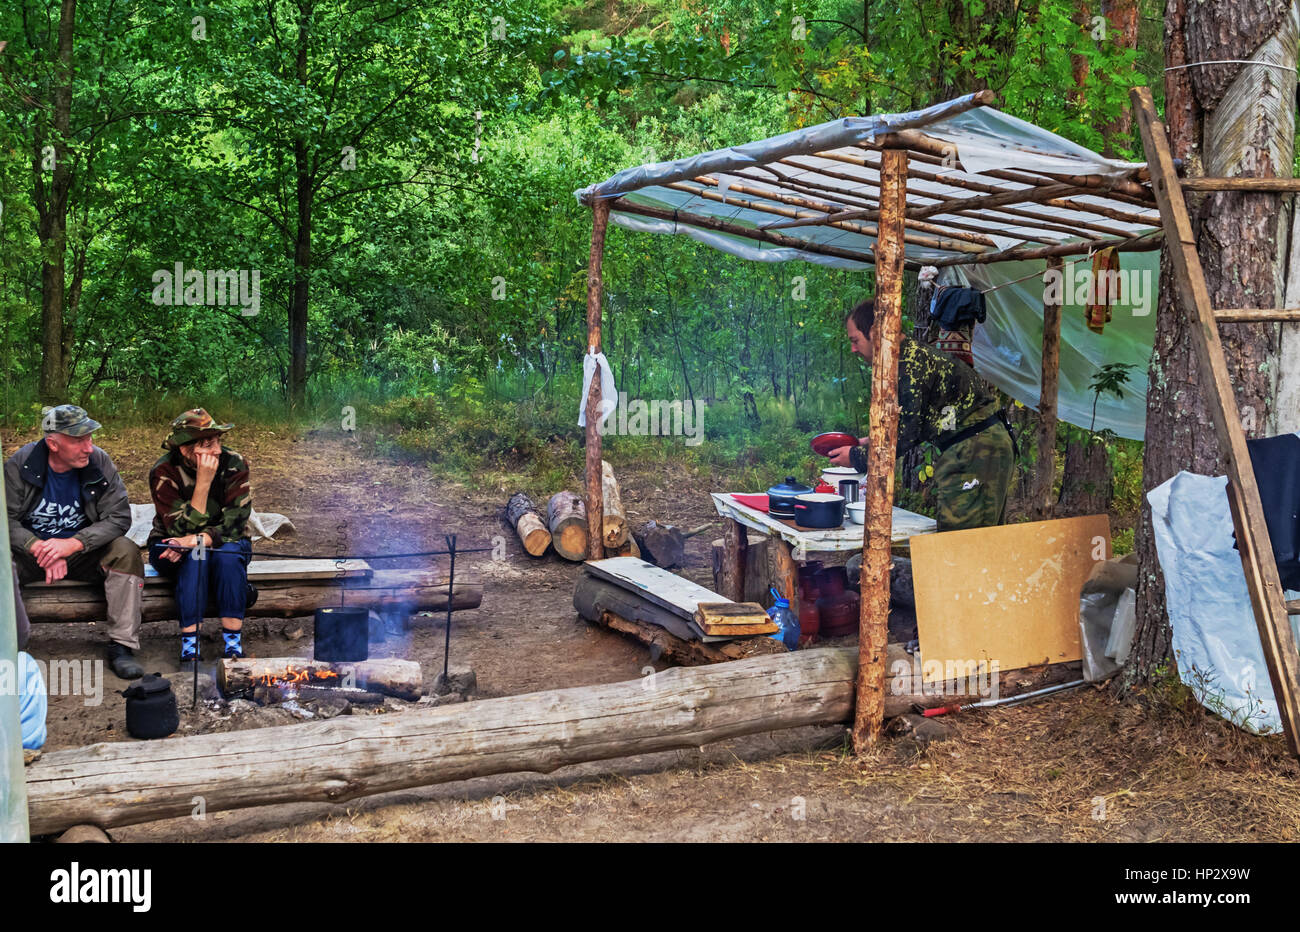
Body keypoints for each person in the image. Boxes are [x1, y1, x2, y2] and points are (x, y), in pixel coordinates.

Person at [829, 298, 1015, 532]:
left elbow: (905, 434)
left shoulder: (910, 363)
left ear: (877, 331)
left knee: (962, 543)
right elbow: (912, 424)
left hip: (975, 451)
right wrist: (872, 442)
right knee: (977, 541)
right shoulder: (908, 357)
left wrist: (857, 456)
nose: (853, 349)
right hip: (978, 447)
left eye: (855, 340)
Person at [5, 404, 145, 679]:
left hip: (84, 552)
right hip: (32, 553)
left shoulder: (99, 462)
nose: (88, 447)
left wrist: (73, 543)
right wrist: (35, 545)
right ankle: (10, 649)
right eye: (79, 440)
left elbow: (119, 518)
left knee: (125, 551)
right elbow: (3, 521)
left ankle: (122, 646)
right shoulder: (20, 465)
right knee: (0, 564)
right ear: (53, 443)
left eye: (90, 438)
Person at [147, 409, 253, 664]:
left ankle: (233, 646)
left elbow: (235, 523)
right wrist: (204, 482)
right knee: (194, 558)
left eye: (218, 441)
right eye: (208, 444)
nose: (217, 450)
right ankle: (190, 648)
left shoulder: (233, 463)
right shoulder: (164, 471)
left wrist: (197, 540)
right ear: (185, 450)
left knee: (226, 556)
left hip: (226, 542)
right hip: (170, 544)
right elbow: (177, 531)